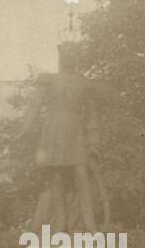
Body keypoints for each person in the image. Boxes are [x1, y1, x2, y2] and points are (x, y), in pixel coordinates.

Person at [25, 41, 110, 232]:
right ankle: (60, 224)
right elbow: (35, 105)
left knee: (81, 174)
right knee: (57, 176)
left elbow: (91, 115)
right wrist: (25, 127)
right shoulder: (49, 80)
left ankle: (90, 225)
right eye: (66, 52)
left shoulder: (84, 83)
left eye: (73, 53)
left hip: (75, 130)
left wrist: (94, 142)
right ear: (60, 56)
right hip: (54, 129)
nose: (69, 56)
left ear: (77, 57)